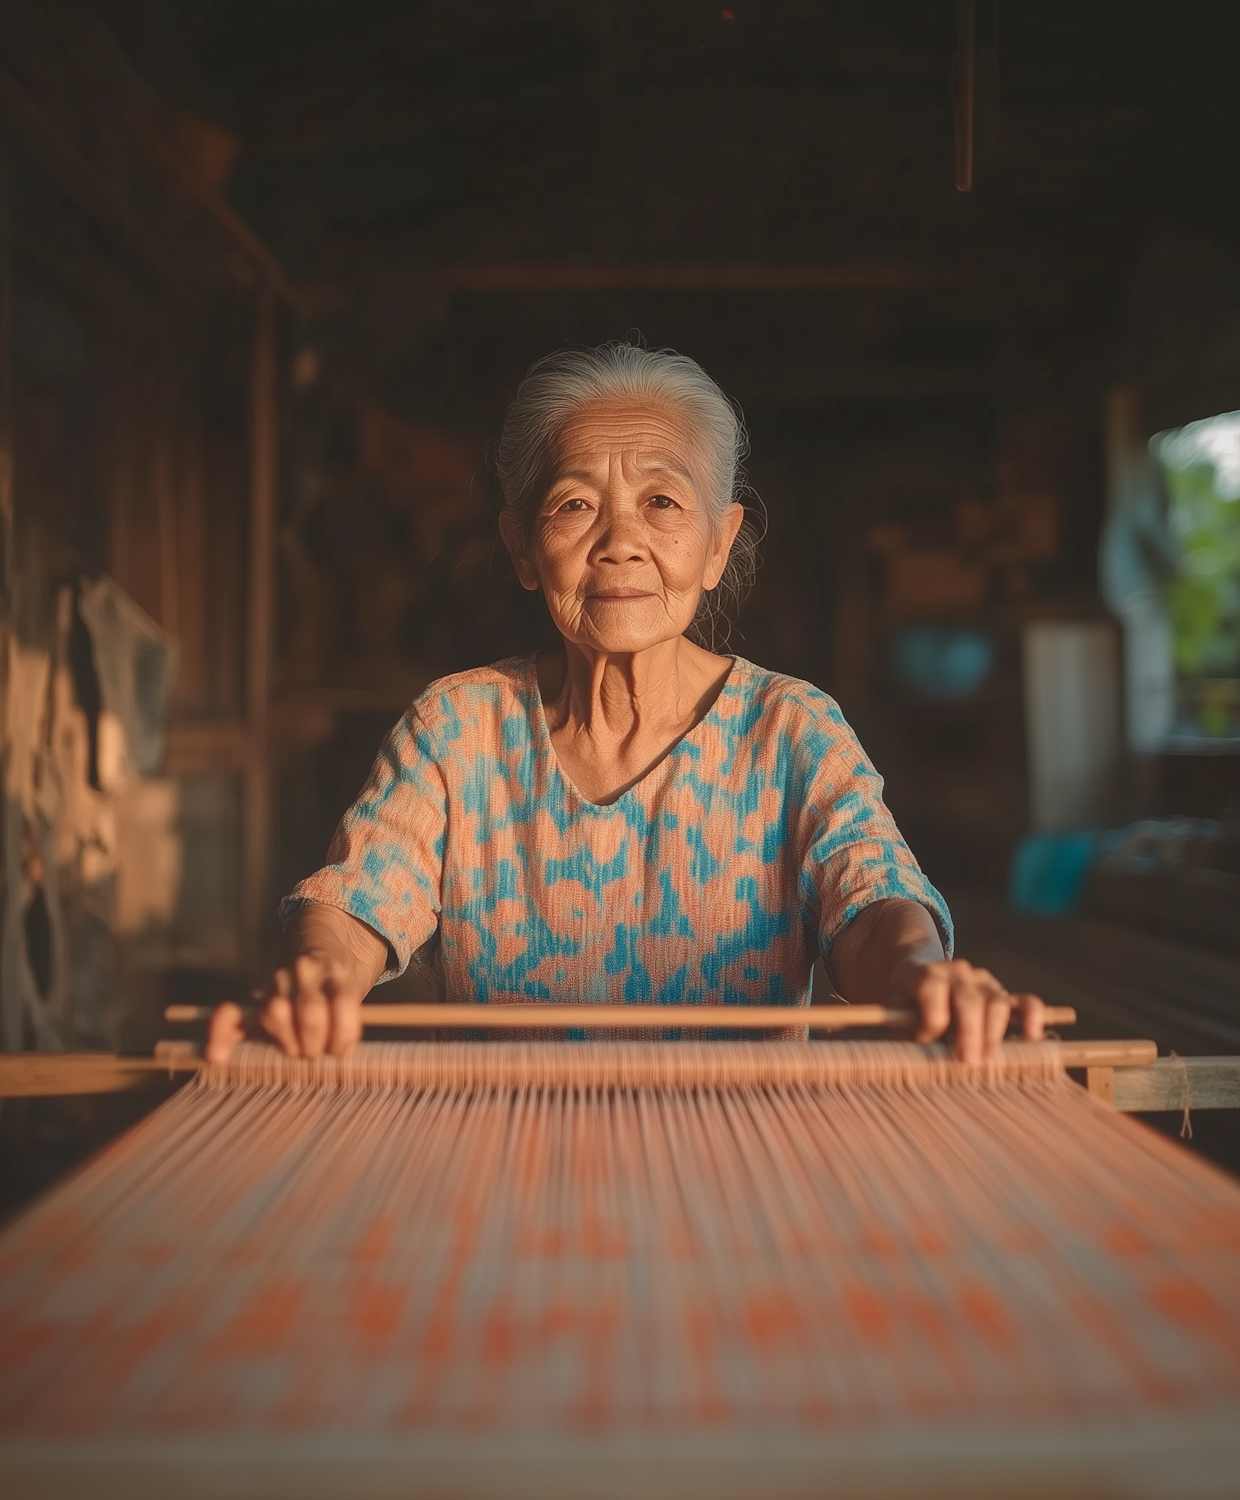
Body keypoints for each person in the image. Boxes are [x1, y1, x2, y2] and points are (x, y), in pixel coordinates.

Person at [209, 343, 1043, 1064]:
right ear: (523, 549)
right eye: (574, 505)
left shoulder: (791, 732)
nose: (619, 542)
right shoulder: (457, 730)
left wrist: (922, 976)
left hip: (737, 1180)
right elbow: (355, 905)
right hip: (495, 1174)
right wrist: (314, 977)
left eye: (663, 503)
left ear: (719, 545)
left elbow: (873, 907)